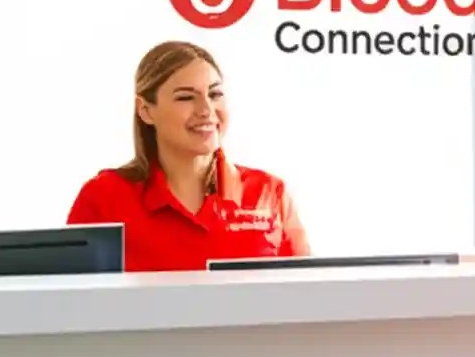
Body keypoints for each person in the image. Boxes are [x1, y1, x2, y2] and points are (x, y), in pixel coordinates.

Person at [67, 40, 310, 271]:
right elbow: (71, 304)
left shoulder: (269, 193)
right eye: (186, 97)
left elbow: (307, 299)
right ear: (145, 110)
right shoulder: (103, 198)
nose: (206, 110)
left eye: (215, 95)